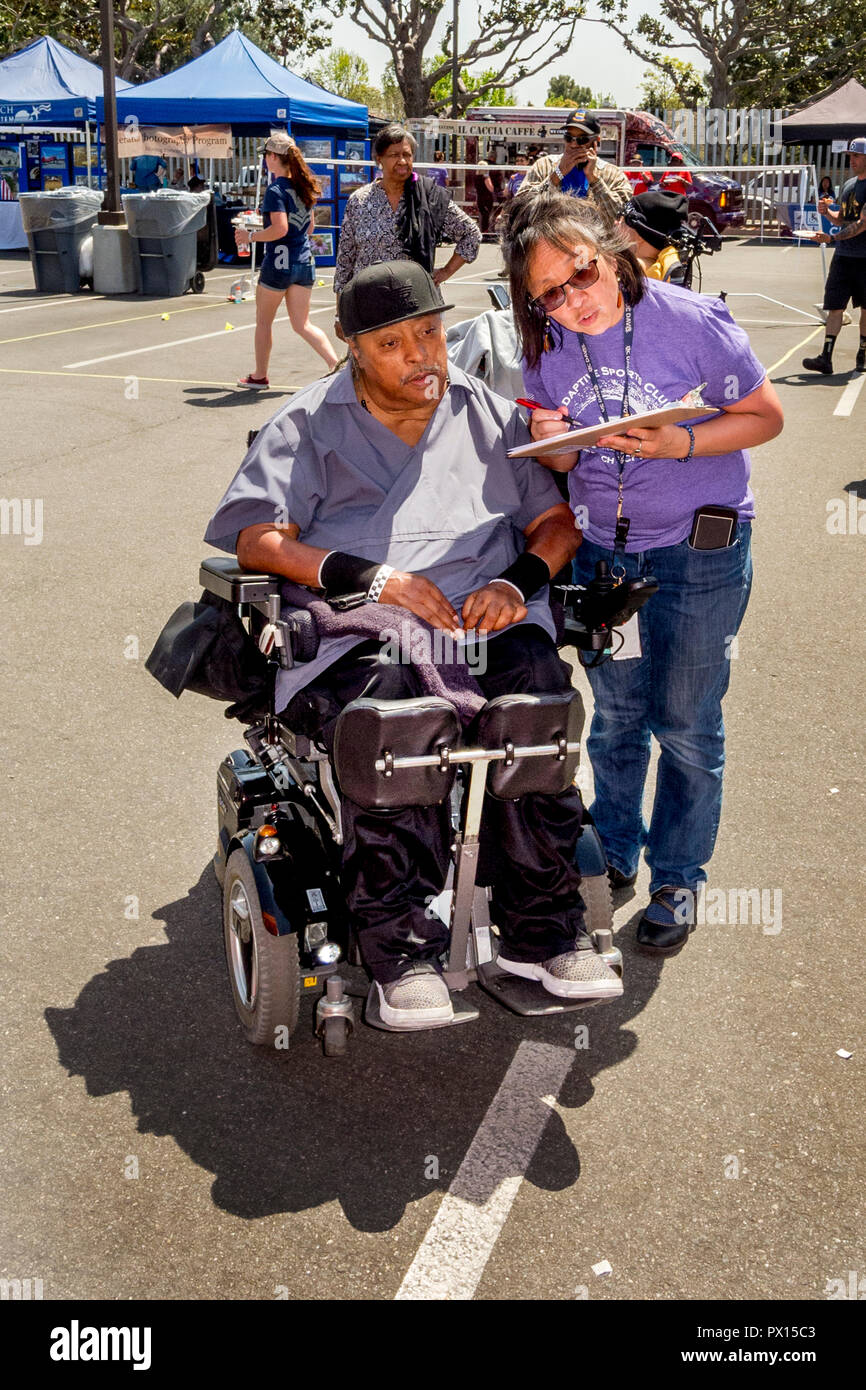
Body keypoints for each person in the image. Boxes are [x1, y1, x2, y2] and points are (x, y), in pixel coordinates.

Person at [204, 260, 623, 1026]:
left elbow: (553, 522)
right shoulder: (310, 422)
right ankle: (400, 952)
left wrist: (517, 580)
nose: (422, 354)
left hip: (483, 618)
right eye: (394, 343)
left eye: (430, 332)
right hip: (362, 627)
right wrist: (377, 579)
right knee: (396, 723)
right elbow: (258, 537)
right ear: (354, 348)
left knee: (537, 710)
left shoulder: (486, 414)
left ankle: (542, 932)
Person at [504, 191, 784, 954]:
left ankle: (679, 874)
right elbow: (559, 463)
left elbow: (764, 416)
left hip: (701, 549)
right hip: (603, 556)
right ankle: (616, 849)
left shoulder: (691, 321)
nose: (572, 301)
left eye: (582, 275)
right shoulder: (546, 344)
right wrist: (551, 438)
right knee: (619, 716)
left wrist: (679, 446)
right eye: (548, 294)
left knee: (687, 721)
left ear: (613, 249)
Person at [234, 133, 338, 390]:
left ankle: (259, 376)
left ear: (272, 157)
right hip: (304, 262)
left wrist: (251, 235)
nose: (264, 162)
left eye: (265, 156)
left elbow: (279, 229)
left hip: (279, 263)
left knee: (264, 322)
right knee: (303, 324)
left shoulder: (276, 189)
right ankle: (336, 365)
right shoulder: (303, 187)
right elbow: (309, 227)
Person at [333, 123, 480, 298]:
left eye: (407, 155)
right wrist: (340, 314)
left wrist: (446, 272)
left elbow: (471, 234)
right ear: (379, 159)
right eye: (394, 155)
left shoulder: (429, 197)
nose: (402, 161)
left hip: (416, 302)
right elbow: (345, 260)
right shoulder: (359, 201)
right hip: (369, 303)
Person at [803, 137, 866, 375]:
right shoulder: (849, 184)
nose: (852, 160)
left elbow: (861, 224)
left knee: (865, 309)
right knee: (835, 307)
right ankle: (825, 358)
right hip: (844, 257)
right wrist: (827, 212)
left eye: (856, 156)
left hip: (864, 258)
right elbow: (842, 219)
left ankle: (862, 353)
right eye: (850, 156)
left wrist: (831, 239)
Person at [521, 112, 633, 227]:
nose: (574, 144)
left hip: (596, 242)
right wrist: (557, 174)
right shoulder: (544, 166)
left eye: (582, 139)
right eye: (569, 138)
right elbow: (522, 207)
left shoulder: (612, 174)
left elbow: (620, 214)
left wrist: (594, 180)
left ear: (596, 141)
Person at [620, 189, 688, 283]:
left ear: (640, 235)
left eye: (623, 221)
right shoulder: (659, 271)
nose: (616, 223)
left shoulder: (628, 271)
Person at [475, 159, 496, 235]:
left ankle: (483, 231)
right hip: (487, 199)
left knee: (482, 215)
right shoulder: (486, 178)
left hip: (480, 199)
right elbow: (491, 188)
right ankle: (486, 232)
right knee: (486, 216)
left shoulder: (476, 177)